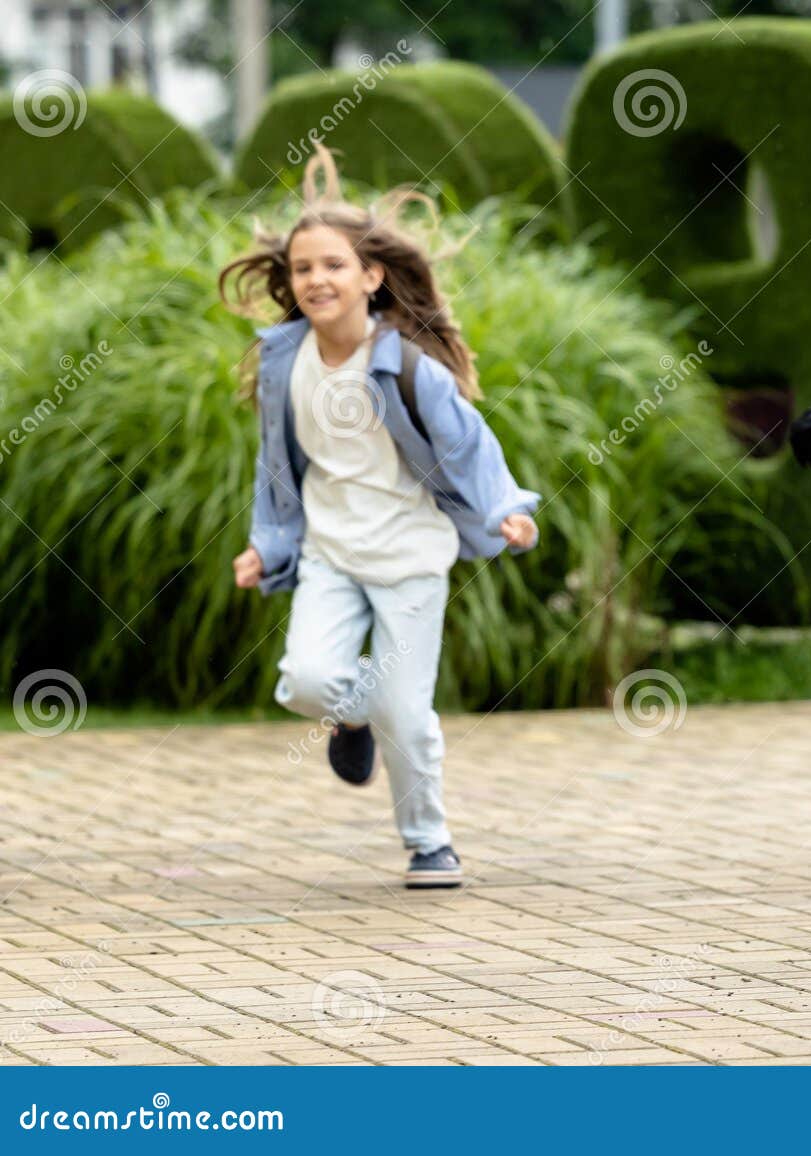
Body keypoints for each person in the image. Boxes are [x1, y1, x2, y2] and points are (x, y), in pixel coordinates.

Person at [221, 147, 540, 890]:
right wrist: (268, 548)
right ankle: (354, 715)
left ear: (370, 276)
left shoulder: (404, 366)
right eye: (302, 269)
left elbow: (469, 445)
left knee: (410, 712)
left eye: (333, 265)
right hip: (331, 553)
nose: (315, 280)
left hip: (410, 557)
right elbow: (277, 468)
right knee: (304, 682)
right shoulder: (284, 360)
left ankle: (428, 841)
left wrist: (505, 511)